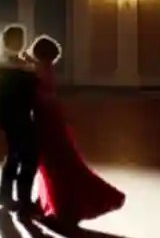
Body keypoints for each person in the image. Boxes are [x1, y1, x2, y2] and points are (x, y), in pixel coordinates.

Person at [27, 35, 125, 225]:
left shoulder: (41, 71)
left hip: (46, 122)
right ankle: (50, 204)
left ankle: (61, 207)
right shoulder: (45, 68)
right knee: (57, 165)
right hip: (50, 119)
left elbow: (43, 96)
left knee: (54, 165)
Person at [0, 24, 40, 213]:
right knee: (23, 157)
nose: (20, 43)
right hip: (15, 117)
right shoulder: (6, 66)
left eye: (21, 39)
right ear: (7, 41)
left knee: (21, 156)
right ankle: (19, 198)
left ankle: (13, 196)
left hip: (22, 116)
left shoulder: (21, 63)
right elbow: (6, 96)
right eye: (16, 39)